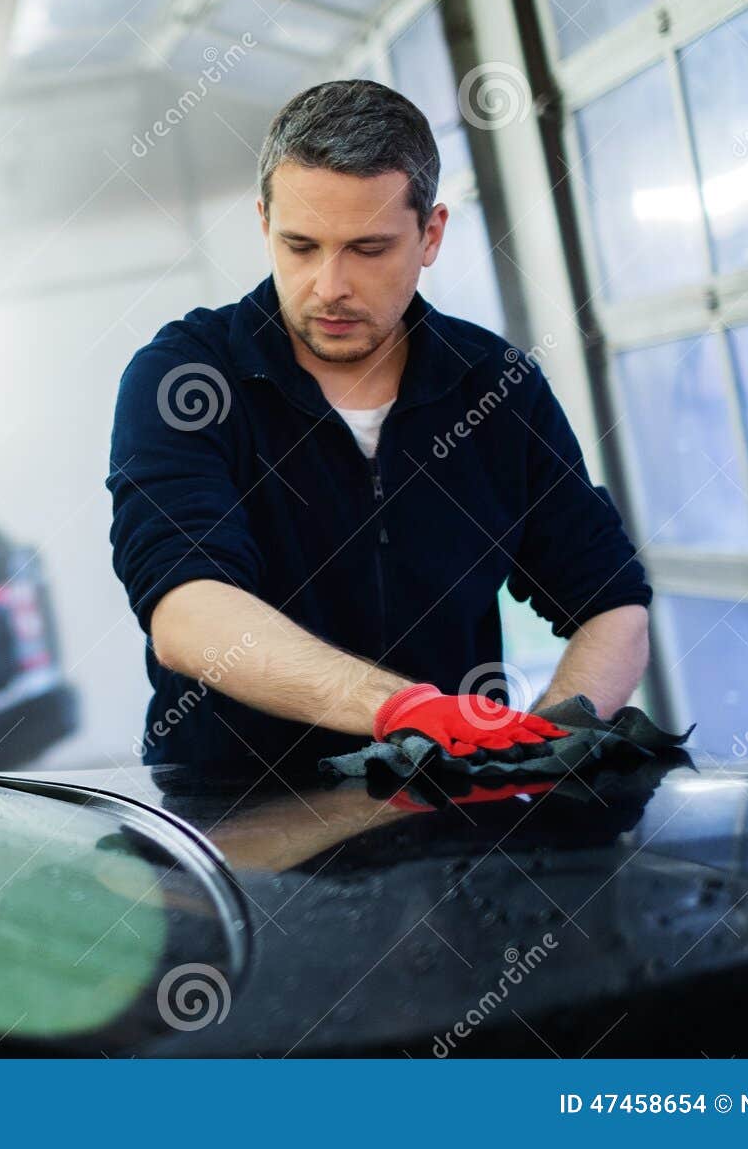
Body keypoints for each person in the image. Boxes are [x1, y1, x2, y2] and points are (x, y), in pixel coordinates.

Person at [106, 80, 650, 771]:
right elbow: (187, 614)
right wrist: (402, 708)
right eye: (301, 246)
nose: (329, 285)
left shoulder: (496, 387)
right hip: (235, 839)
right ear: (263, 224)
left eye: (367, 250)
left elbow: (614, 605)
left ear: (430, 235)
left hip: (444, 826)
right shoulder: (184, 380)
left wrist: (546, 751)